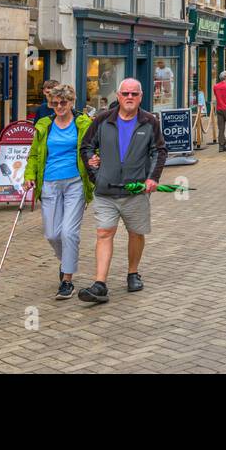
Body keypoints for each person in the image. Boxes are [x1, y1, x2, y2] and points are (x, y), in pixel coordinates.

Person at [78, 79, 167, 303]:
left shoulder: (149, 122)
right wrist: (94, 172)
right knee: (104, 233)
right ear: (118, 96)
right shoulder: (102, 120)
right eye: (125, 93)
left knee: (136, 233)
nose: (129, 97)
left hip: (135, 191)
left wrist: (152, 178)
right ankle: (100, 284)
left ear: (141, 96)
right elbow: (86, 147)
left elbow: (160, 151)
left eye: (134, 94)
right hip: (106, 191)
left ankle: (132, 273)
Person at [24, 83, 93, 299]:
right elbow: (34, 155)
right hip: (50, 184)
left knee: (69, 232)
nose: (60, 106)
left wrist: (95, 159)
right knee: (53, 234)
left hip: (75, 183)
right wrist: (29, 176)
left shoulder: (83, 123)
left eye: (64, 102)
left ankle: (67, 280)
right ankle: (66, 261)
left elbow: (93, 148)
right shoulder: (44, 126)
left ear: (72, 102)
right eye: (55, 103)